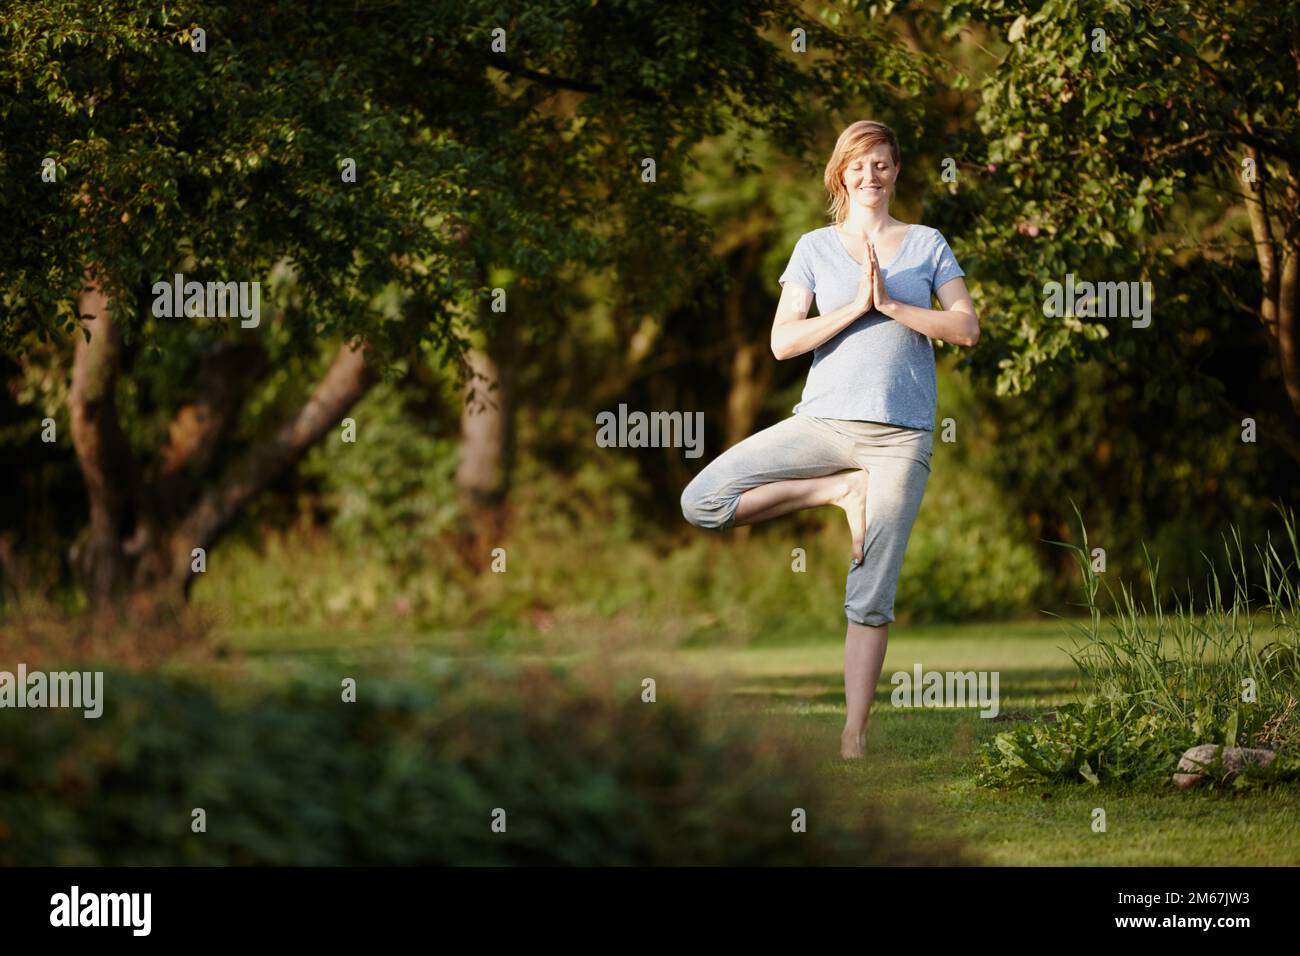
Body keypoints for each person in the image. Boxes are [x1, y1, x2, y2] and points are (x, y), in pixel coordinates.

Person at [679, 120, 979, 759]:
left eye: (883, 164)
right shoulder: (813, 247)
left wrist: (894, 306)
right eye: (859, 164)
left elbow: (966, 327)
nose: (871, 175)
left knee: (872, 590)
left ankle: (853, 736)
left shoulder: (926, 244)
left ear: (896, 172)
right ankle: (838, 491)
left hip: (899, 442)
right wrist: (854, 309)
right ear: (840, 172)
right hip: (821, 425)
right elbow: (782, 342)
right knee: (701, 502)